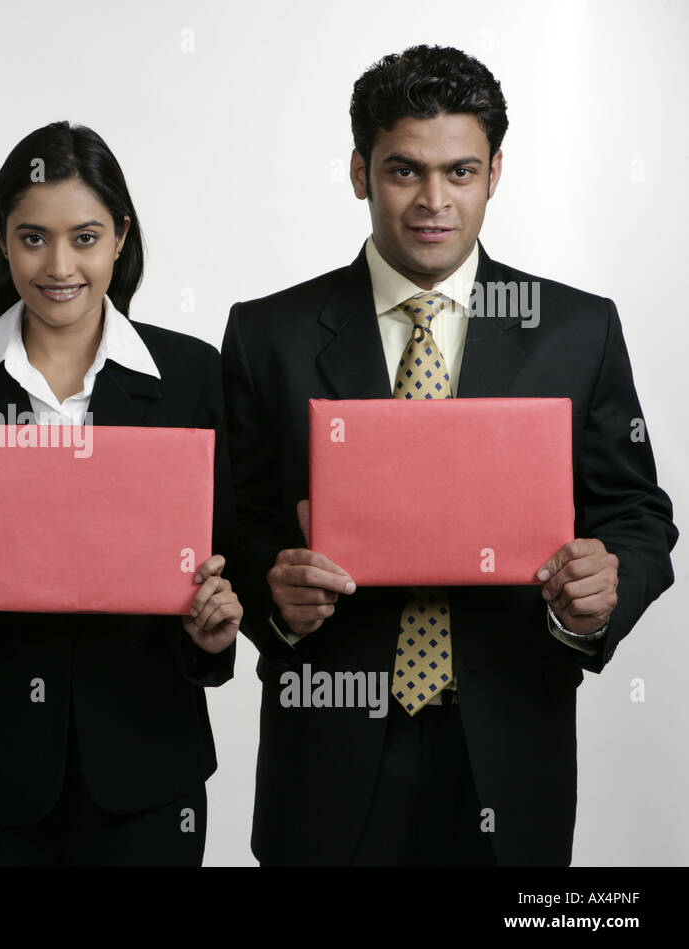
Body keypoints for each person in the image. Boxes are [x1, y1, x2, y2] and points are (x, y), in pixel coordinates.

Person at [222, 44, 677, 865]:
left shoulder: (578, 330)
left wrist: (606, 587)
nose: (434, 202)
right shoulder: (269, 336)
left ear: (495, 172)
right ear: (360, 172)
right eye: (404, 171)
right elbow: (232, 520)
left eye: (461, 172)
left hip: (511, 745)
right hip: (328, 749)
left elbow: (639, 516)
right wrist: (273, 591)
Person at [0, 121, 242, 865]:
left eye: (85, 238)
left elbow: (227, 563)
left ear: (120, 237)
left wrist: (214, 631)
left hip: (147, 772)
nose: (59, 265)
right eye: (33, 238)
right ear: (0, 237)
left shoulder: (192, 379)